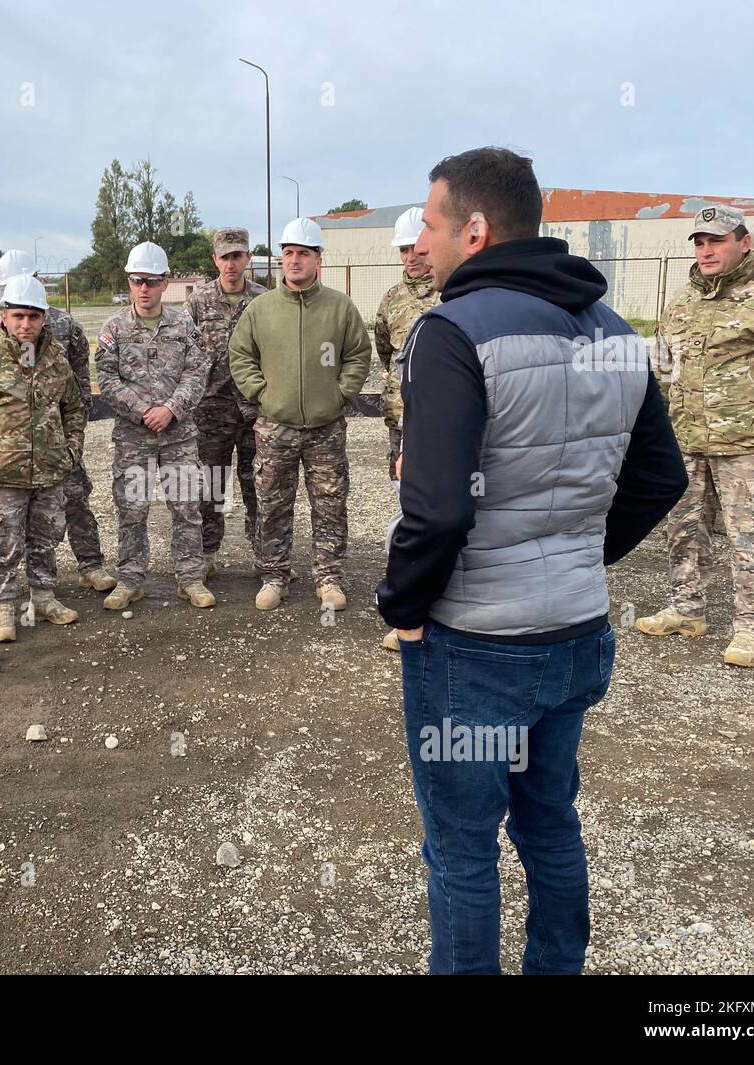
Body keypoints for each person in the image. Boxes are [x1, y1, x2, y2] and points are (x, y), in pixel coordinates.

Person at [377, 146, 687, 974]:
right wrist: (583, 550)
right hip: (576, 632)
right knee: (548, 819)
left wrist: (401, 604)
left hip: (475, 647)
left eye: (433, 225)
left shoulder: (451, 332)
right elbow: (662, 475)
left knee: (463, 850)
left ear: (475, 230)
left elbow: (436, 506)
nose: (426, 245)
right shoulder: (616, 331)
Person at [636, 205, 754, 666]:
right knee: (683, 532)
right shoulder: (682, 302)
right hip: (687, 440)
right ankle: (686, 609)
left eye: (716, 241)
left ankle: (752, 628)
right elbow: (662, 369)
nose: (706, 250)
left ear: (744, 243)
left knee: (751, 540)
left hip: (748, 445)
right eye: (699, 242)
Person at [228, 217, 371, 612]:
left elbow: (359, 354)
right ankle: (274, 576)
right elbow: (240, 355)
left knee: (330, 504)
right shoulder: (261, 309)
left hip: (326, 428)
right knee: (272, 503)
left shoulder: (339, 308)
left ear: (317, 259)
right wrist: (262, 393)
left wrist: (341, 393)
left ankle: (328, 579)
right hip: (276, 427)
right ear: (281, 260)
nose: (294, 261)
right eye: (288, 254)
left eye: (302, 254)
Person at [0, 274, 87, 642]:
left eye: (33, 316)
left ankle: (44, 597)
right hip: (5, 476)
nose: (25, 324)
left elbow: (74, 407)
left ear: (45, 318)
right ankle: (2, 607)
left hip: (50, 473)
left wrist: (71, 451)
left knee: (46, 537)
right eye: (18, 316)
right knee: (2, 542)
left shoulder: (57, 362)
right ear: (4, 318)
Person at [0, 250, 115, 593]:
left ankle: (91, 564)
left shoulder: (65, 326)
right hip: (11, 446)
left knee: (76, 498)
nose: (25, 322)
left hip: (57, 438)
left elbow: (80, 381)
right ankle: (16, 586)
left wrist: (73, 439)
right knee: (9, 517)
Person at [95, 241, 213, 610]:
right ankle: (130, 580)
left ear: (165, 283)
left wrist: (171, 410)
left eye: (151, 281)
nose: (144, 288)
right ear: (129, 282)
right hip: (133, 438)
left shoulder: (183, 325)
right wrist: (145, 410)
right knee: (131, 510)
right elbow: (107, 379)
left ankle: (190, 578)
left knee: (186, 508)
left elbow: (197, 373)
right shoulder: (113, 328)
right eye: (136, 280)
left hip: (177, 436)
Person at [183, 227, 266, 578]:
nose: (230, 264)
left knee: (259, 484)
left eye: (237, 256)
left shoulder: (264, 300)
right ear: (215, 259)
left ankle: (267, 557)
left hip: (254, 408)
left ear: (247, 258)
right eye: (224, 257)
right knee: (211, 484)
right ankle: (207, 555)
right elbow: (183, 351)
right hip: (210, 408)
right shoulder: (198, 302)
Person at [375, 206, 439, 651]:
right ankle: (413, 609)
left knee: (446, 512)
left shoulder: (452, 293)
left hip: (444, 425)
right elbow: (384, 350)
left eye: (416, 247)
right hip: (403, 426)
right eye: (404, 250)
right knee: (409, 514)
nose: (411, 256)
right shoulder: (392, 299)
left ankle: (443, 608)